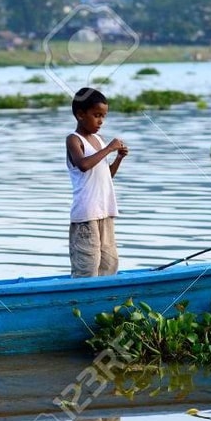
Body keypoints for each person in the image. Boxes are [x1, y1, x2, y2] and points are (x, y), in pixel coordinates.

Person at [66, 87, 128, 278]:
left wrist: (118, 158)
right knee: (87, 265)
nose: (101, 121)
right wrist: (110, 148)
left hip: (105, 212)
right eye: (96, 115)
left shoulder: (99, 140)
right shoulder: (74, 140)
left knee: (109, 263)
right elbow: (83, 165)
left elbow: (106, 175)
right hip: (86, 215)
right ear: (80, 115)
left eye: (104, 116)